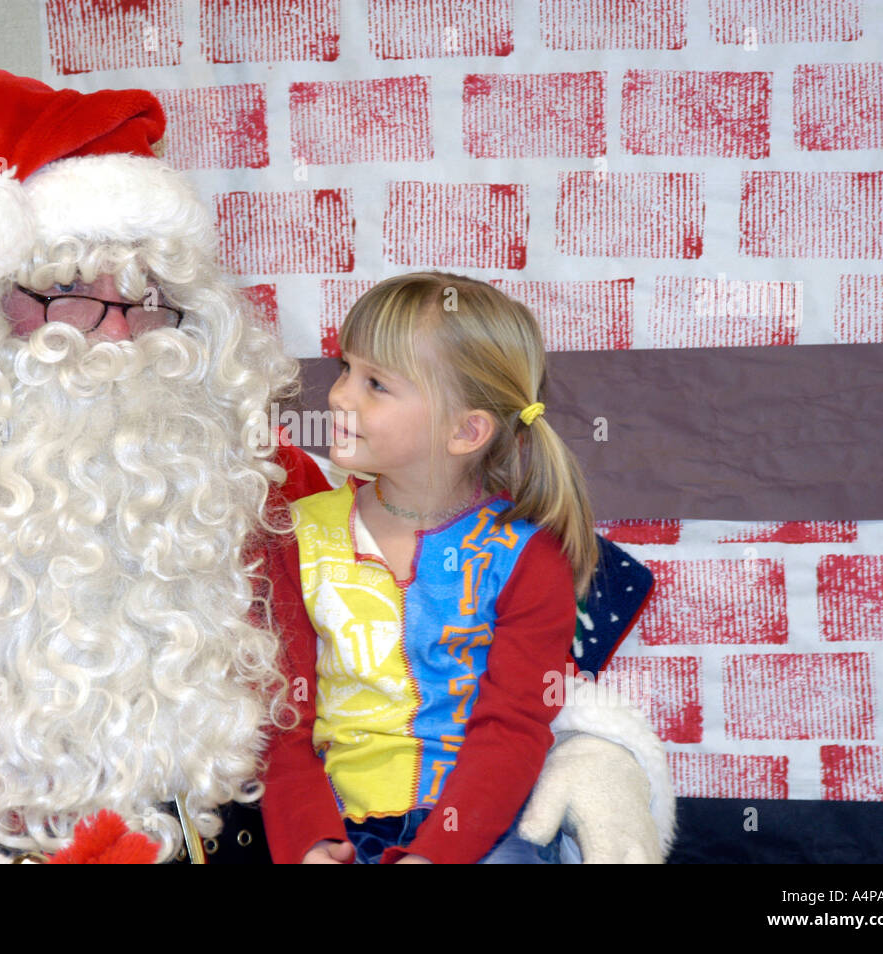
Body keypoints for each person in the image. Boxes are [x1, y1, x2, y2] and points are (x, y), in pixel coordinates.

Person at [0, 71, 672, 863]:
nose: (112, 338)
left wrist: (588, 742)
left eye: (151, 302)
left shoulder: (246, 469)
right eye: (67, 293)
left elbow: (424, 646)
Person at [262, 272, 665, 864]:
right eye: (345, 368)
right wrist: (309, 841)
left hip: (481, 833)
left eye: (375, 383)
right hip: (338, 826)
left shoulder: (528, 554)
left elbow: (514, 728)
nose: (341, 395)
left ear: (466, 430)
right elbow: (282, 714)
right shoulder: (294, 533)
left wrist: (438, 853)